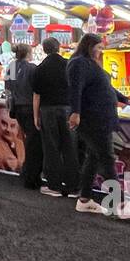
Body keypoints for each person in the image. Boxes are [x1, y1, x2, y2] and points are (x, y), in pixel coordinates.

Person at [68, 33, 130, 219]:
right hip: (92, 119)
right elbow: (75, 89)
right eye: (99, 47)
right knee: (106, 159)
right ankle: (119, 205)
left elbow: (106, 87)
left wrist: (125, 100)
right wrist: (75, 112)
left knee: (94, 158)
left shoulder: (89, 65)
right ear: (90, 45)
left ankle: (85, 200)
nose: (100, 51)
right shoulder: (78, 63)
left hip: (99, 118)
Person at [32, 37, 76, 196]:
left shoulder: (40, 68)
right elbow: (75, 89)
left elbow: (36, 95)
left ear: (44, 50)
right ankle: (73, 186)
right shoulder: (68, 65)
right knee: (70, 147)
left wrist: (35, 116)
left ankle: (54, 186)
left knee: (51, 148)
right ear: (59, 48)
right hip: (67, 109)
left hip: (48, 110)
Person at [5, 43, 43, 189]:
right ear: (28, 53)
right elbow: (37, 92)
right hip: (30, 108)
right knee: (34, 143)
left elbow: (8, 89)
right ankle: (31, 176)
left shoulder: (12, 67)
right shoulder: (32, 68)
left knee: (29, 140)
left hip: (17, 109)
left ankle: (27, 171)